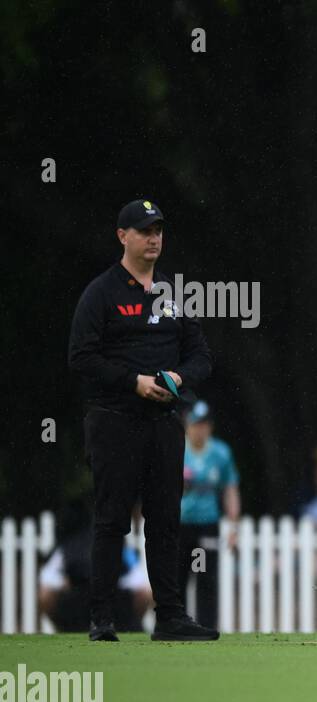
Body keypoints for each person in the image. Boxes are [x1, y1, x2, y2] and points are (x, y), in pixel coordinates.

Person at [67, 199, 218, 642]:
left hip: (164, 421)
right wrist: (132, 381)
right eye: (144, 231)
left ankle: (169, 616)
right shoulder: (101, 293)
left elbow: (202, 356)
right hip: (114, 419)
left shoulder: (173, 293)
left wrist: (177, 376)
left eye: (158, 231)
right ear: (123, 236)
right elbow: (81, 357)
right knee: (113, 518)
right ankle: (102, 618)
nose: (154, 238)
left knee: (165, 520)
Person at [39, 506, 152, 633]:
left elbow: (46, 585)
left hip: (105, 608)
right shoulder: (119, 546)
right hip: (84, 608)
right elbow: (141, 586)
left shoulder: (68, 546)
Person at [179, 401, 240, 628]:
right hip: (181, 524)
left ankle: (207, 627)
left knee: (207, 578)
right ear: (187, 426)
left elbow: (230, 490)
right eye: (196, 424)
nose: (200, 430)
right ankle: (178, 624)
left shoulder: (221, 453)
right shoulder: (177, 449)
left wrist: (233, 526)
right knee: (177, 579)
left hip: (207, 525)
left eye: (204, 425)